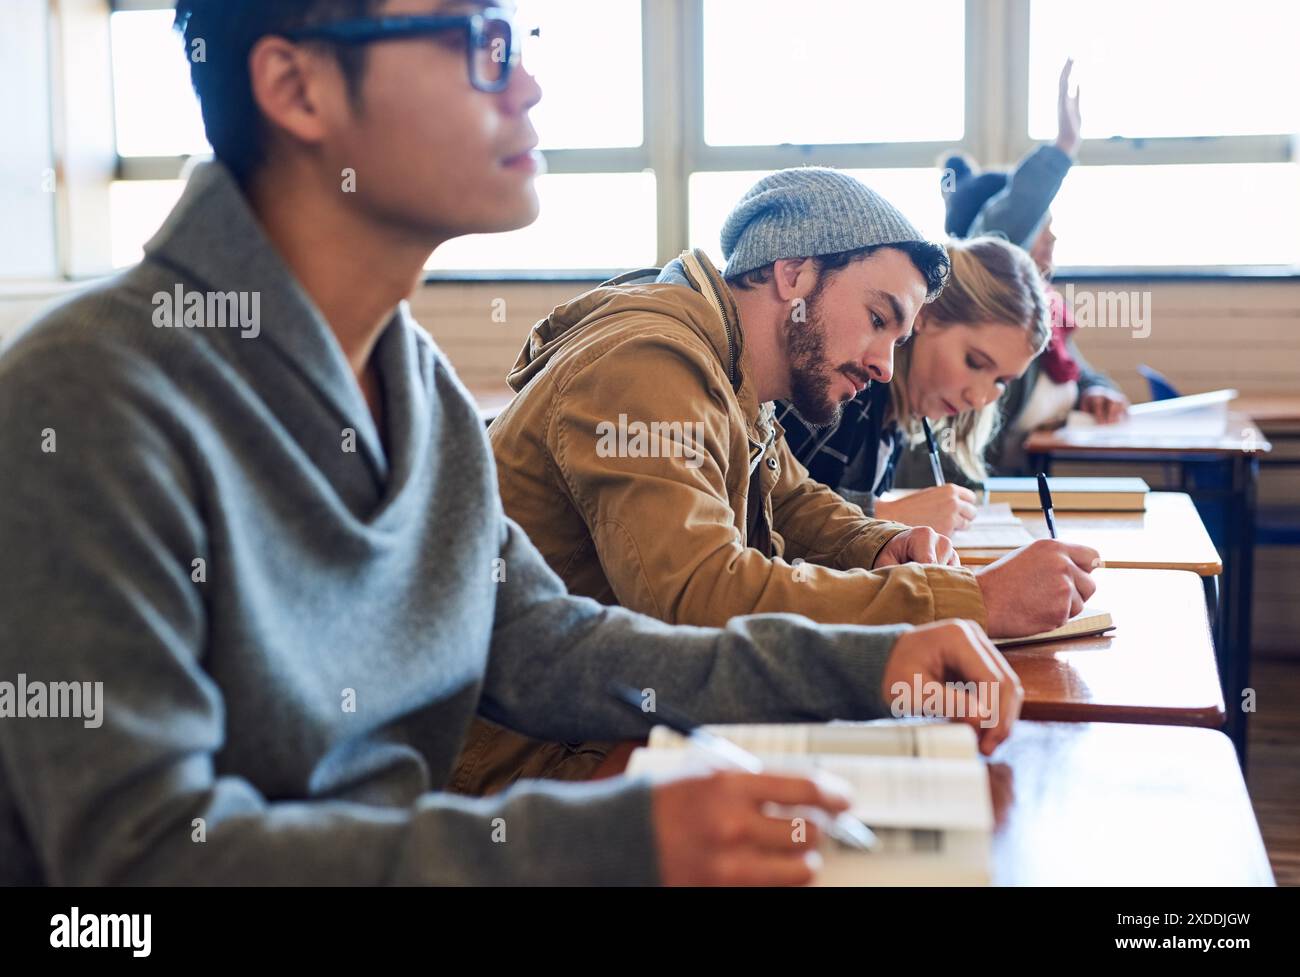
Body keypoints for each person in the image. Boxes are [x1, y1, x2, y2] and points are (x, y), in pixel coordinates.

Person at [0, 0, 1022, 886]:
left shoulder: (416, 387)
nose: (528, 81)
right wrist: (607, 843)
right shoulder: (93, 396)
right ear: (295, 87)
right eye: (480, 41)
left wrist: (872, 661)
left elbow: (547, 644)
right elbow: (134, 871)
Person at [455, 168, 1099, 796]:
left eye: (900, 340)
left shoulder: (730, 369)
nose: (883, 365)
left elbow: (791, 497)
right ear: (793, 272)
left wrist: (880, 544)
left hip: (607, 724)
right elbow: (700, 598)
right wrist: (966, 601)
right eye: (879, 318)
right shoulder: (649, 362)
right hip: (529, 766)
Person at [781, 235, 1051, 537]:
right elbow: (760, 513)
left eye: (1001, 381)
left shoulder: (894, 417)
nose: (978, 398)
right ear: (926, 314)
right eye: (974, 362)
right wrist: (887, 516)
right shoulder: (844, 386)